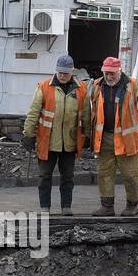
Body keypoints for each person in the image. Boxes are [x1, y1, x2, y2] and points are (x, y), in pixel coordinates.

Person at [85, 56, 138, 217]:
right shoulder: (96, 85)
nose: (109, 77)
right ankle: (107, 206)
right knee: (104, 172)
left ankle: (132, 205)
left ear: (119, 71)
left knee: (130, 174)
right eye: (106, 73)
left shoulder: (136, 85)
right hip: (104, 138)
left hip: (128, 139)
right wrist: (88, 134)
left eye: (112, 74)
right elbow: (90, 110)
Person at [23, 54, 87, 215]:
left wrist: (87, 135)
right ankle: (45, 207)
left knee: (68, 177)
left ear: (72, 71)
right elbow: (33, 113)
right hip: (47, 142)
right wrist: (28, 135)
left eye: (66, 73)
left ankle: (66, 207)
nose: (62, 75)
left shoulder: (81, 90)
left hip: (69, 143)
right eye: (60, 72)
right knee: (45, 176)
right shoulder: (44, 87)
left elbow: (86, 115)